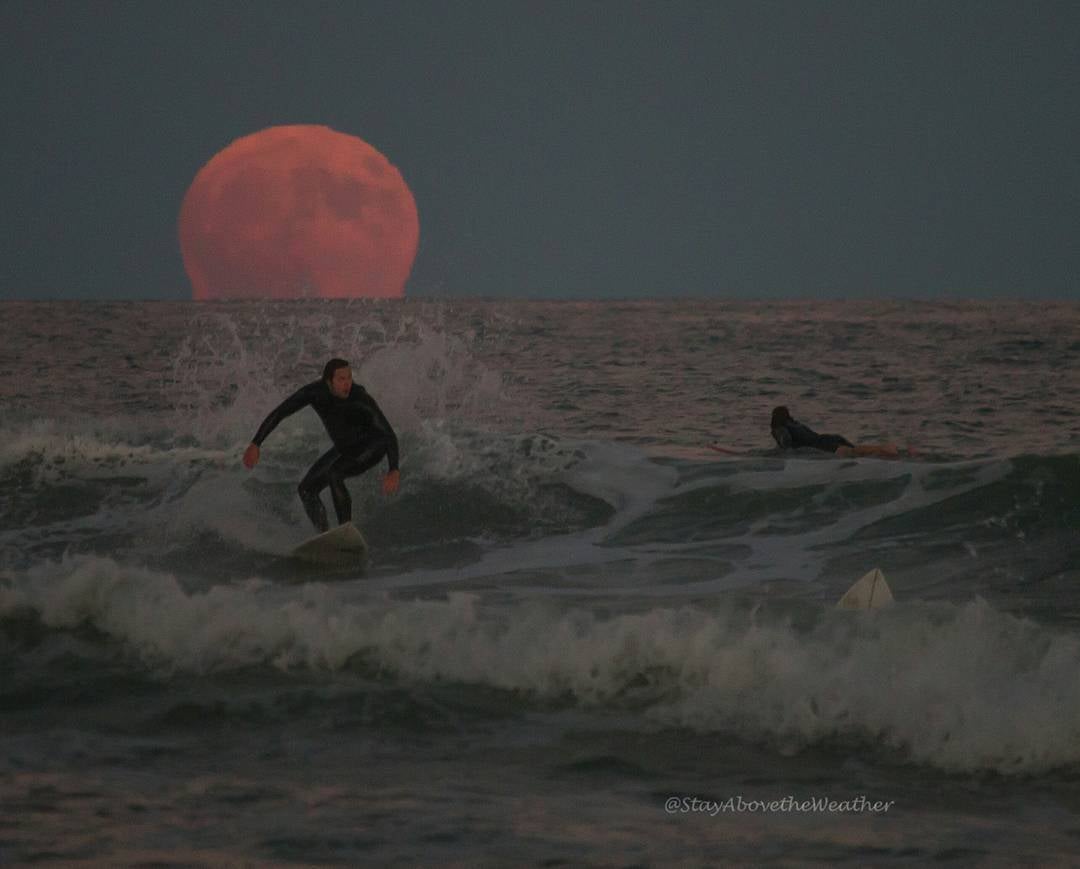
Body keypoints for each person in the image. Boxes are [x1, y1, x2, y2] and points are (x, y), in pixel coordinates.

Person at [242, 358, 400, 532]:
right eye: (341, 379)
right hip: (345, 449)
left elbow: (388, 434)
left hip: (373, 445)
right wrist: (256, 443)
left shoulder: (359, 397)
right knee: (306, 490)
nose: (347, 383)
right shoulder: (315, 393)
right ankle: (325, 534)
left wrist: (393, 469)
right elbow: (281, 412)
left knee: (335, 473)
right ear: (328, 381)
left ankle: (345, 531)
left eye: (349, 377)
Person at [769, 406, 900, 458]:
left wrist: (783, 452)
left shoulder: (779, 427)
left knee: (855, 453)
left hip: (823, 446)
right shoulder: (796, 424)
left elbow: (786, 440)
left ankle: (886, 450)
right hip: (829, 438)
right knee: (858, 451)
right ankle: (887, 451)